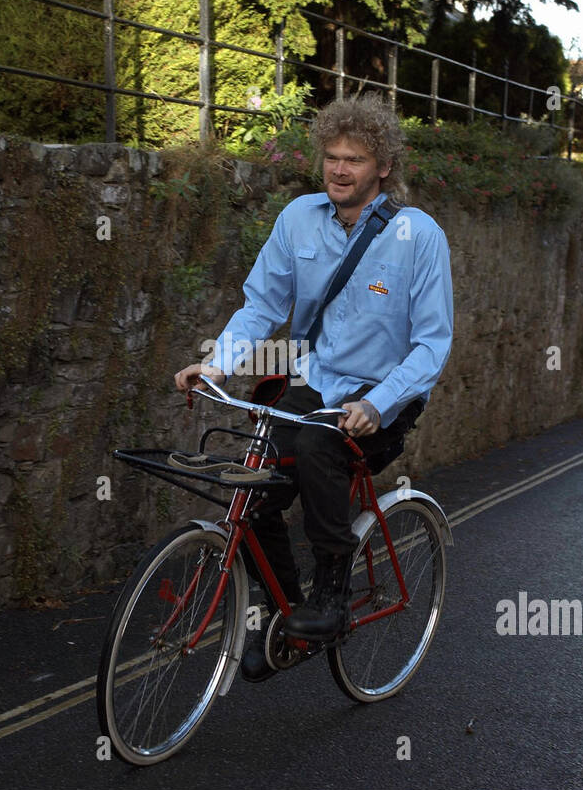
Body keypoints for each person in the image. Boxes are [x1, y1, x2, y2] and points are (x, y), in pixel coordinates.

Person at [173, 93, 454, 681]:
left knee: (322, 445)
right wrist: (217, 365)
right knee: (255, 486)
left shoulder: (417, 235)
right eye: (331, 157)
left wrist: (377, 404)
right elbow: (261, 305)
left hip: (386, 394)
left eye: (354, 159)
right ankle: (284, 611)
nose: (340, 170)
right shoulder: (298, 219)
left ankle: (330, 592)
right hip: (318, 381)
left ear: (382, 166)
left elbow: (432, 344)